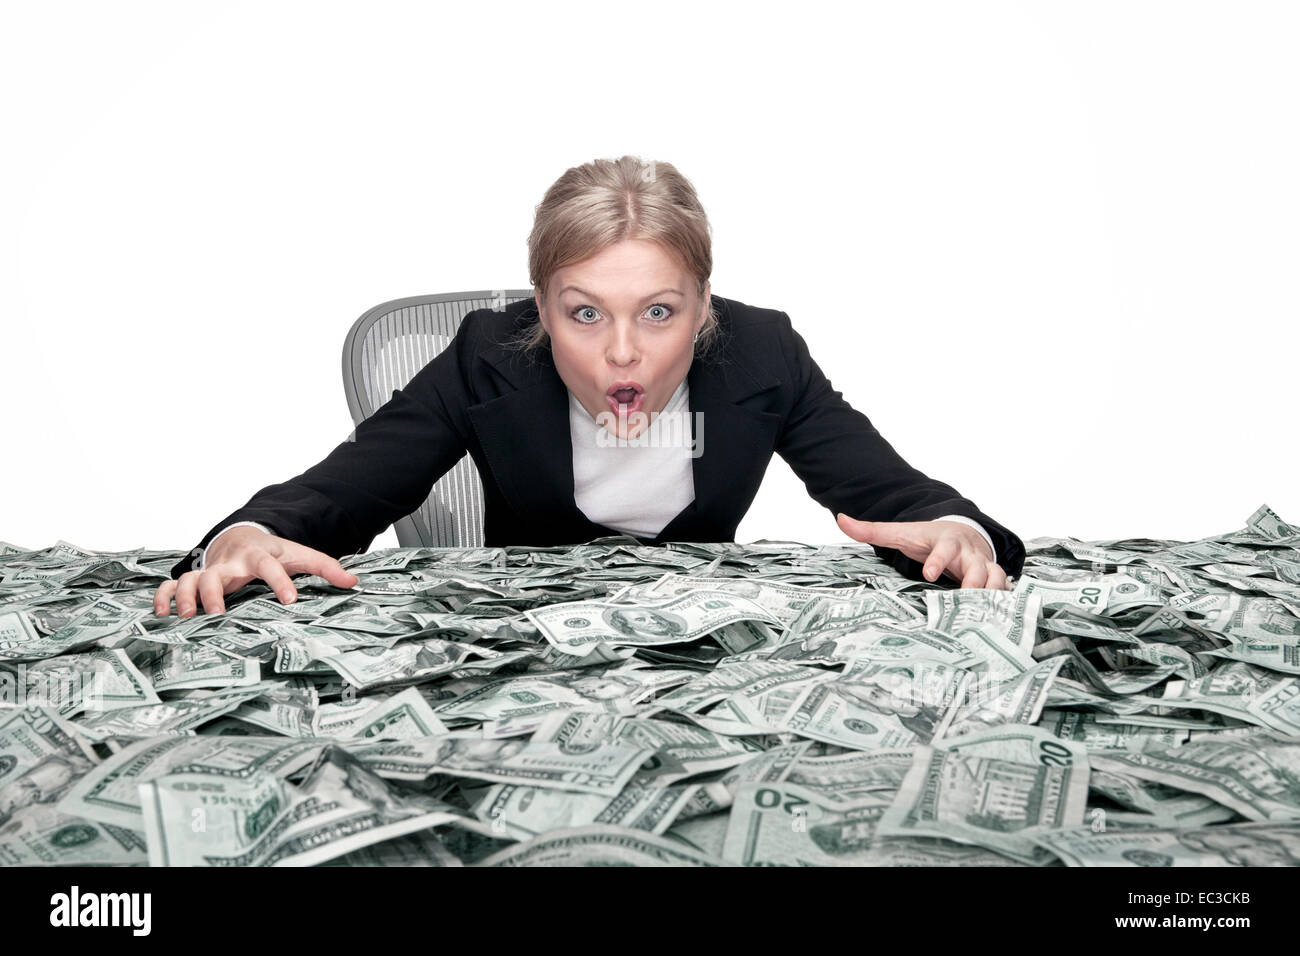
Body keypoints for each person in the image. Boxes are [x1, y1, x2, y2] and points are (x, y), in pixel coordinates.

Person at [155, 156, 1026, 619]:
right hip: (516, 668)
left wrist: (959, 533)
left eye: (657, 312)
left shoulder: (761, 351)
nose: (621, 354)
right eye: (582, 313)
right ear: (541, 306)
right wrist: (245, 535)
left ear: (703, 309)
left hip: (700, 667)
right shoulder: (489, 353)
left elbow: (899, 497)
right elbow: (342, 492)